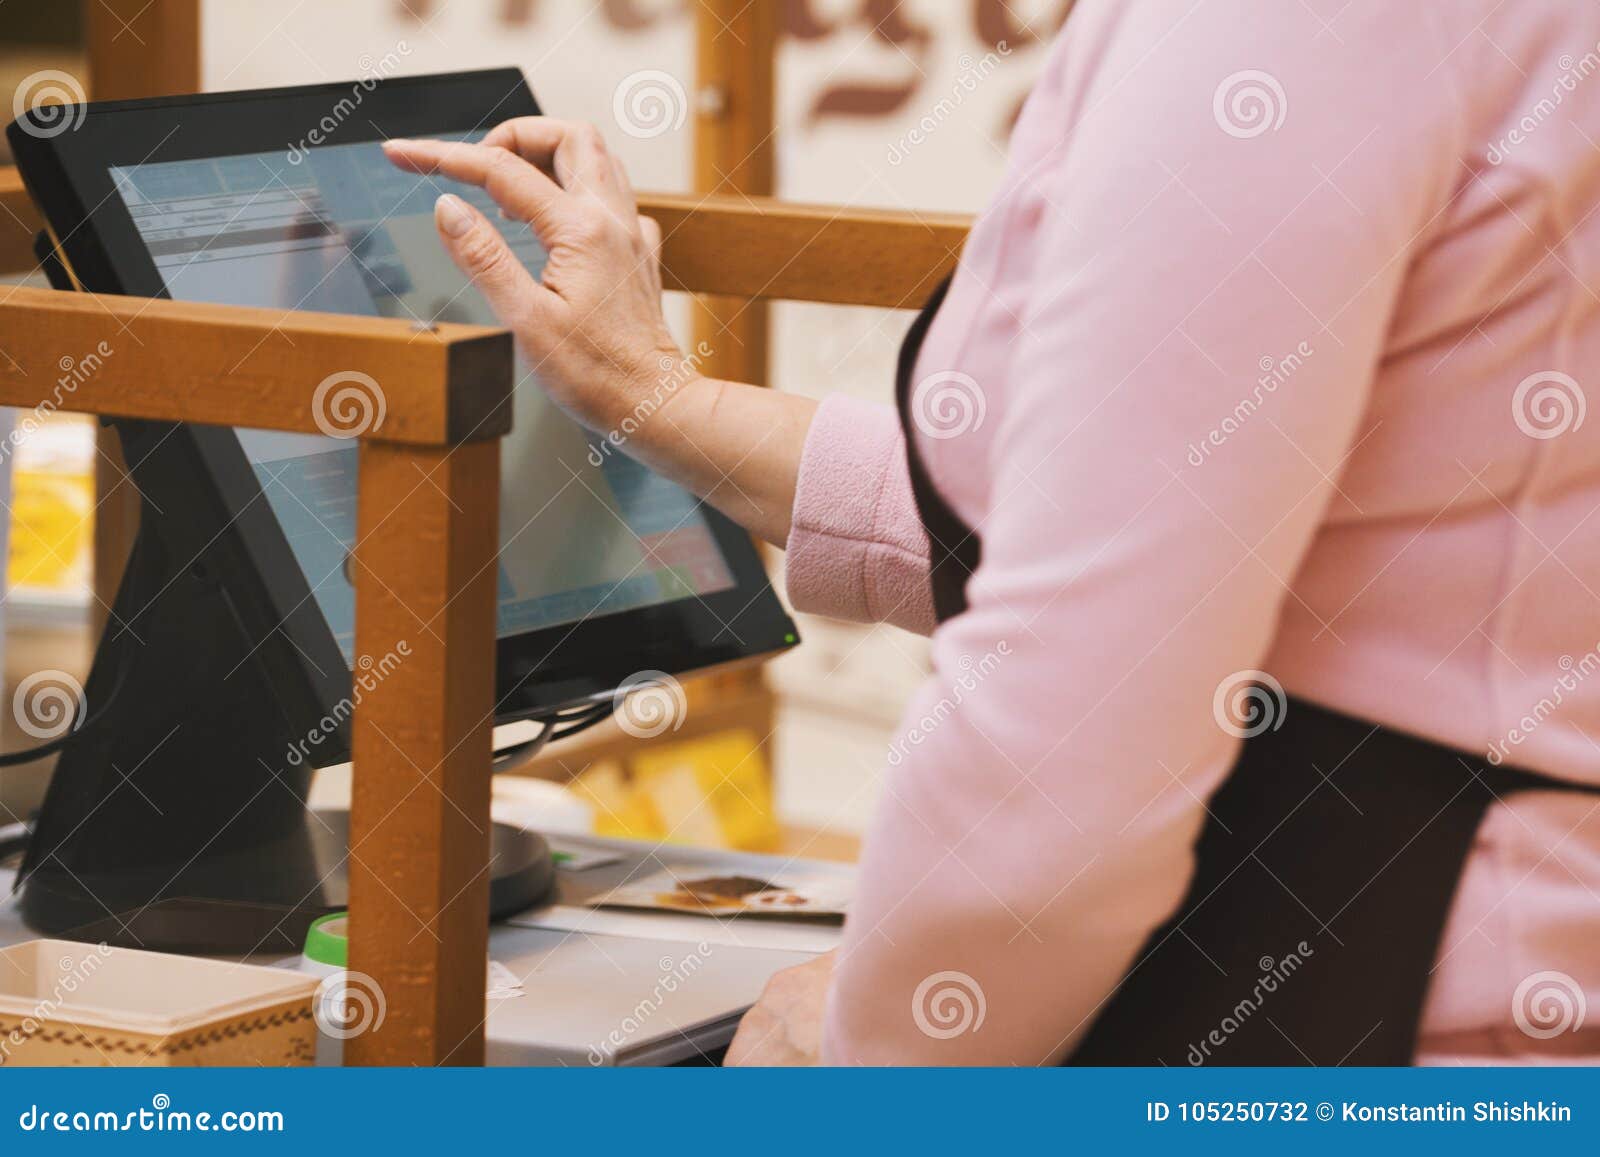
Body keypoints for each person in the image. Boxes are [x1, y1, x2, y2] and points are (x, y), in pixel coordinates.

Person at [383, 0, 1600, 1066]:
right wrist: (656, 397)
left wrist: (877, 1040)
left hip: (1360, 1001)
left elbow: (1086, 701)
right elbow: (1194, 536)